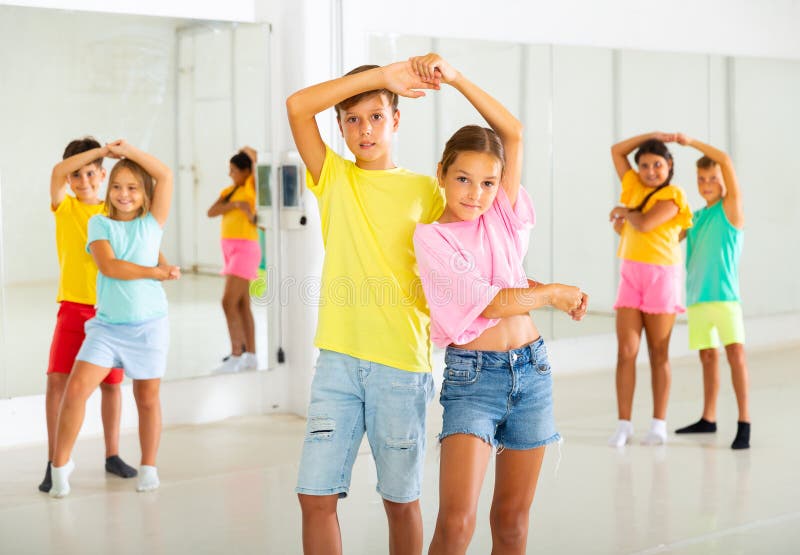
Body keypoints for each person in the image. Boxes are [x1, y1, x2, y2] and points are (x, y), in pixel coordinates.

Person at [411, 53, 588, 555]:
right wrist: (552, 293)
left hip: (532, 372)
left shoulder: (501, 216)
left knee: (511, 522)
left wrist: (459, 77)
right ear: (442, 174)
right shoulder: (434, 238)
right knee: (457, 523)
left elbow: (512, 132)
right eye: (464, 178)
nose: (477, 193)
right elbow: (489, 302)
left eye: (489, 182)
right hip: (474, 379)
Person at [286, 61, 443, 555]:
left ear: (396, 120)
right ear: (340, 127)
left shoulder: (428, 191)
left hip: (401, 364)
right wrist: (383, 78)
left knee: (400, 500)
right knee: (314, 495)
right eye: (352, 119)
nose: (365, 129)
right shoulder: (333, 176)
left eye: (376, 116)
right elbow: (297, 106)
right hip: (337, 361)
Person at [49, 140, 179, 498]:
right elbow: (110, 267)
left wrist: (131, 151)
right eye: (118, 187)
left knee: (147, 398)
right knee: (75, 390)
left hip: (149, 326)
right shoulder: (100, 225)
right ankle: (60, 467)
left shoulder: (153, 223)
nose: (124, 194)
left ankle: (148, 466)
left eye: (133, 187)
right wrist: (156, 272)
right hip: (106, 328)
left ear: (144, 194)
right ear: (109, 189)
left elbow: (165, 174)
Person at [40, 137, 136, 493]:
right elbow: (56, 171)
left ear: (103, 175)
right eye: (76, 175)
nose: (83, 181)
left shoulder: (114, 213)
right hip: (71, 310)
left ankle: (112, 454)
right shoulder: (63, 208)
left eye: (91, 174)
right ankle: (55, 460)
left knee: (112, 385)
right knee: (57, 383)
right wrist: (101, 150)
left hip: (110, 313)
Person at [607, 132, 693, 447]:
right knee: (625, 352)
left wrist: (623, 212)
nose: (651, 171)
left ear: (669, 165)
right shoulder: (633, 186)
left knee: (659, 353)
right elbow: (617, 151)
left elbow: (644, 224)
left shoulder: (674, 195)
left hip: (662, 279)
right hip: (631, 275)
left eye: (657, 164)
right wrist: (654, 136)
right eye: (644, 165)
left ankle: (658, 423)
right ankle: (624, 423)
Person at [674, 134, 750, 449]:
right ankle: (709, 417)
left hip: (725, 298)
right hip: (697, 298)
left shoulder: (730, 209)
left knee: (735, 355)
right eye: (702, 179)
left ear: (723, 182)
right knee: (707, 357)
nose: (707, 184)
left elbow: (726, 162)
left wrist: (689, 142)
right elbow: (666, 238)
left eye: (713, 179)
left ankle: (744, 422)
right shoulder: (694, 216)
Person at [207, 147, 260, 373]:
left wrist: (249, 154)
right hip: (230, 250)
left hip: (245, 249)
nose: (230, 174)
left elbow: (257, 163)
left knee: (227, 302)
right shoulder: (230, 191)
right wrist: (237, 205)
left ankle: (237, 354)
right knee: (241, 304)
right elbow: (211, 211)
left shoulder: (251, 187)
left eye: (234, 170)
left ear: (246, 172)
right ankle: (251, 356)